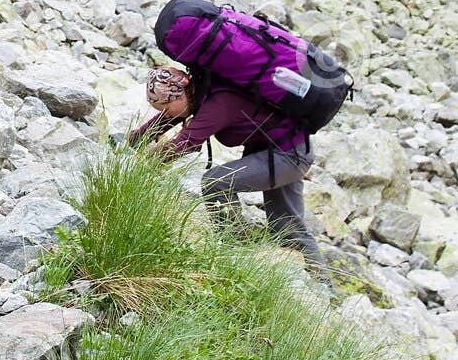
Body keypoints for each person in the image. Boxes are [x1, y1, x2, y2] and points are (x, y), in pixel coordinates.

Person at [132, 64, 326, 272]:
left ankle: (234, 251)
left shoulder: (219, 102)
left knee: (216, 183)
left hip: (288, 156)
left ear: (178, 96)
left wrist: (144, 166)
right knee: (287, 226)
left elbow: (186, 143)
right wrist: (132, 140)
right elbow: (167, 120)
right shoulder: (197, 93)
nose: (166, 114)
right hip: (281, 148)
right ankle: (322, 284)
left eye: (166, 108)